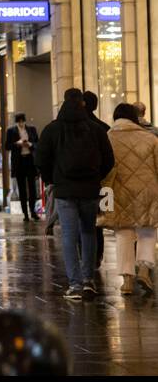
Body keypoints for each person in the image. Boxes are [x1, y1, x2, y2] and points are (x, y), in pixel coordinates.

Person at [35, 89, 115, 299]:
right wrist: (97, 177)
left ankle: (75, 285)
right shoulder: (96, 129)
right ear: (82, 104)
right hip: (90, 189)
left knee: (70, 236)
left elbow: (41, 159)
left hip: (65, 190)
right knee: (89, 232)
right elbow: (109, 160)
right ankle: (89, 280)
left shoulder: (53, 129)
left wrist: (52, 179)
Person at [99, 102, 158, 295]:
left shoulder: (107, 138)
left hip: (119, 191)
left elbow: (103, 168)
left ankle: (127, 281)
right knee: (147, 230)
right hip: (147, 190)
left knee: (123, 233)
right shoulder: (150, 139)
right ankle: (143, 270)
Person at [83, 91, 110, 271]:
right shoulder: (103, 127)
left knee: (79, 223)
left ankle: (85, 257)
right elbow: (110, 158)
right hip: (98, 182)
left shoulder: (73, 126)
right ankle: (96, 256)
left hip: (76, 183)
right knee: (96, 222)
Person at [5, 112, 41, 220]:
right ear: (16, 122)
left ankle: (33, 211)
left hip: (30, 160)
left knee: (32, 188)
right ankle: (25, 213)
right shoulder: (11, 131)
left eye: (22, 121)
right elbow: (7, 146)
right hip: (19, 162)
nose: (21, 123)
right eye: (19, 122)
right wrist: (17, 143)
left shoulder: (32, 129)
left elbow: (37, 144)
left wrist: (30, 144)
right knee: (22, 188)